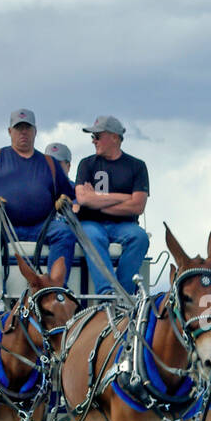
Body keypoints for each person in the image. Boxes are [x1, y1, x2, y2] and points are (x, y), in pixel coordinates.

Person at [0, 109, 76, 296]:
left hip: (42, 227)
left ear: (35, 131)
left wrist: (64, 200)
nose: (23, 133)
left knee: (65, 234)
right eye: (18, 128)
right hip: (2, 226)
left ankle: (54, 292)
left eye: (27, 128)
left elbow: (67, 195)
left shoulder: (49, 163)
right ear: (10, 131)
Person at [73, 115, 149, 294]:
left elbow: (138, 206)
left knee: (140, 238)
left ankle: (124, 293)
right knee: (92, 237)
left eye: (97, 136)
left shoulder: (137, 166)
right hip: (91, 223)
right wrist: (124, 197)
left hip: (124, 225)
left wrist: (97, 201)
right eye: (93, 137)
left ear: (115, 137)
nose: (93, 141)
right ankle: (107, 292)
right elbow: (83, 199)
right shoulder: (86, 164)